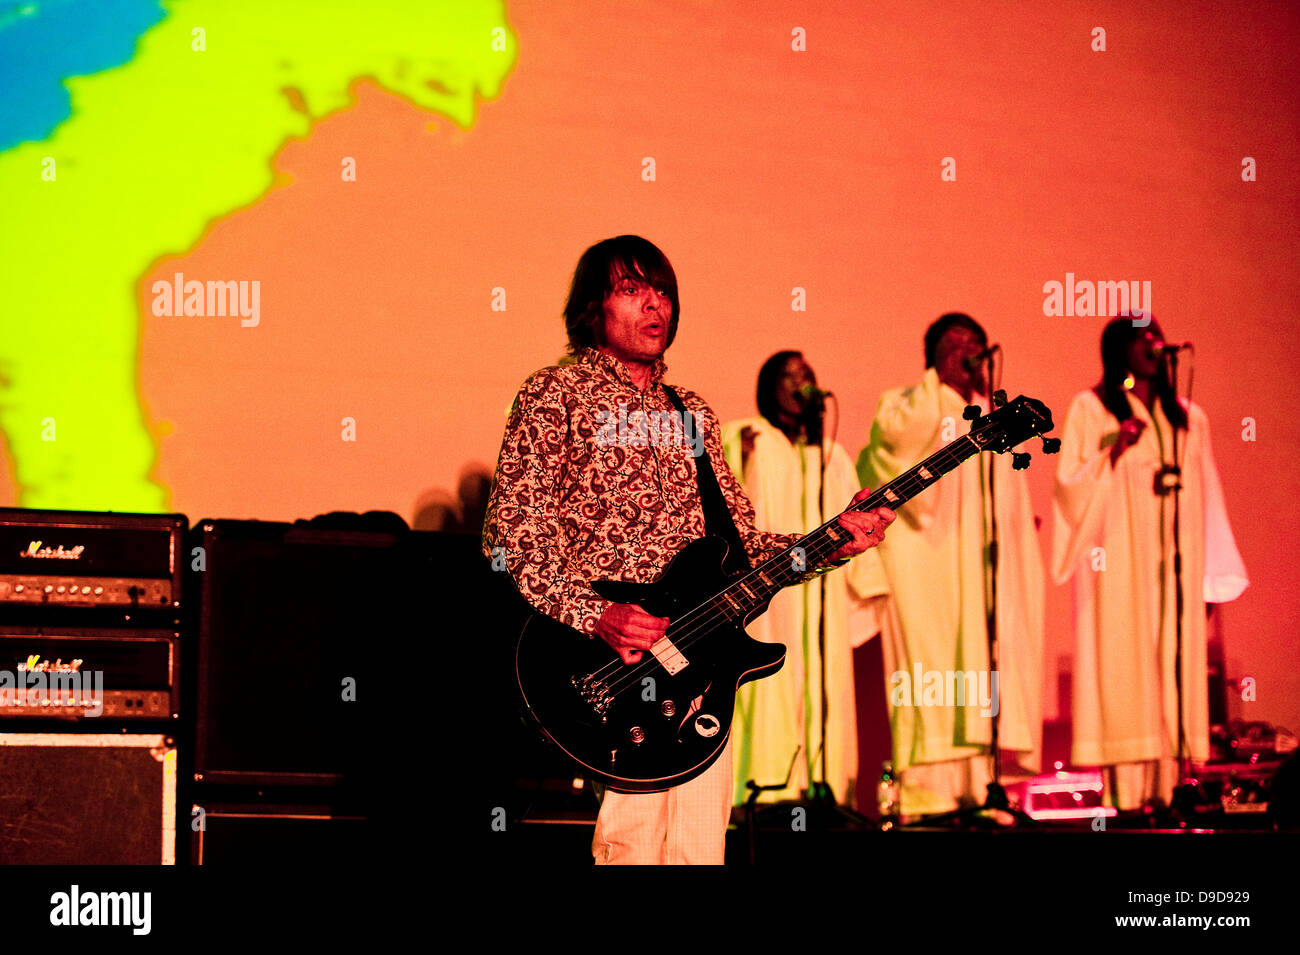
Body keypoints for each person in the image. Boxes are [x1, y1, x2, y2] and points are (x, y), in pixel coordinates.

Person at [482, 236, 895, 864]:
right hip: (606, 661)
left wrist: (837, 538)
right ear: (594, 309)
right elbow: (511, 537)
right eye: (632, 289)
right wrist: (595, 613)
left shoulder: (690, 413)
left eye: (664, 292)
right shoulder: (555, 395)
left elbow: (747, 548)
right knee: (633, 842)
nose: (655, 305)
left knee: (700, 849)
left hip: (699, 665)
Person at [1052, 316, 1248, 810]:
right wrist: (1111, 451)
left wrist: (1208, 579)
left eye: (1156, 335)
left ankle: (1170, 793)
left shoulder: (1188, 418)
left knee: (1171, 672)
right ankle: (1127, 802)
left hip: (1173, 573)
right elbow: (1069, 488)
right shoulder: (1092, 409)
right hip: (1114, 568)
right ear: (1120, 351)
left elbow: (1209, 497)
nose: (1153, 344)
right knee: (1124, 666)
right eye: (1142, 337)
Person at [856, 313, 1045, 815]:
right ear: (934, 355)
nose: (969, 350)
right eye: (955, 342)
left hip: (982, 568)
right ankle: (926, 799)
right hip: (926, 568)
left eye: (976, 342)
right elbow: (892, 447)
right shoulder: (907, 403)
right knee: (931, 668)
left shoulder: (996, 414)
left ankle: (984, 788)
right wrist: (940, 390)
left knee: (986, 662)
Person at [721, 351, 876, 807]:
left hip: (821, 595)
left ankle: (821, 783)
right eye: (789, 375)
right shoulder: (748, 435)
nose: (801, 382)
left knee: (822, 677)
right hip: (766, 596)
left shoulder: (831, 456)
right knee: (767, 684)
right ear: (768, 388)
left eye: (808, 374)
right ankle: (765, 789)